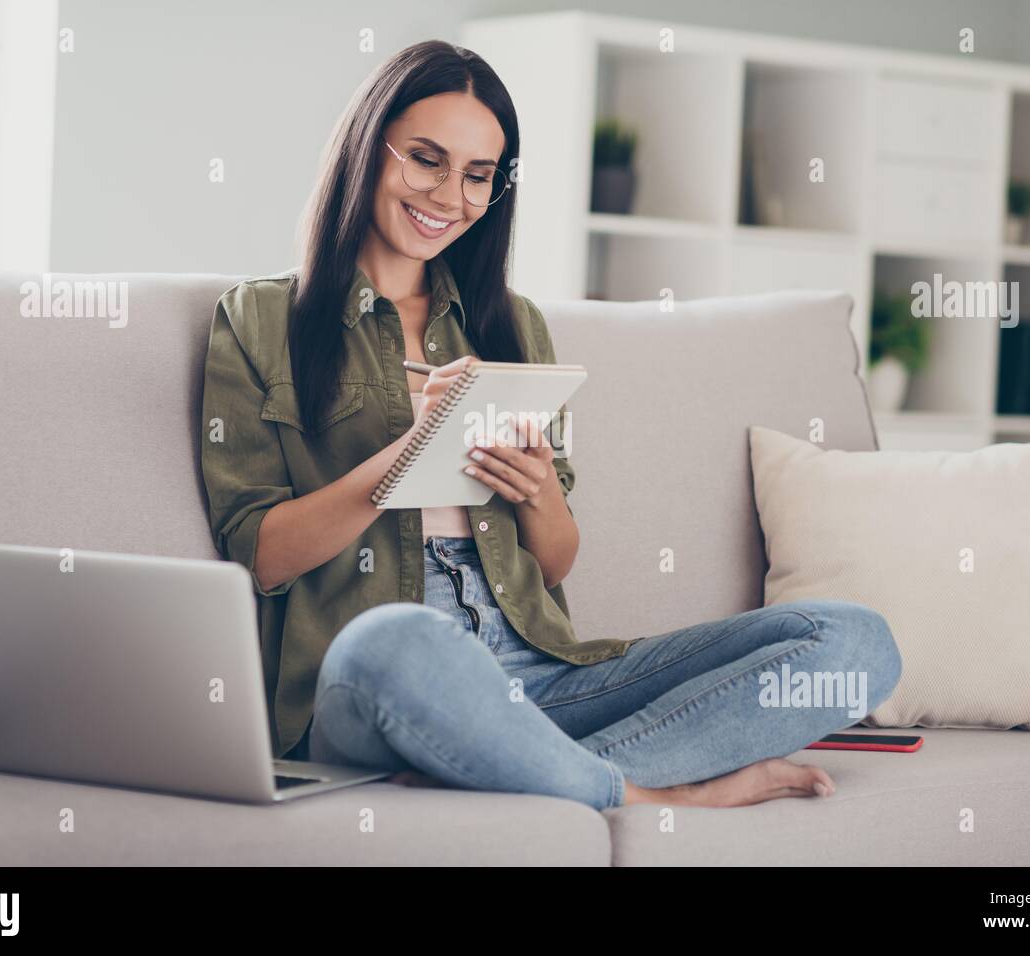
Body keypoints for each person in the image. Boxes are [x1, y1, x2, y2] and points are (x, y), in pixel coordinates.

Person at [200, 40, 901, 811]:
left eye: (477, 176)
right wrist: (409, 456)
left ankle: (516, 767)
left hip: (541, 677)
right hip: (383, 675)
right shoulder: (263, 319)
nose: (449, 195)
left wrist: (538, 495)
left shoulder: (512, 326)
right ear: (369, 149)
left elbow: (556, 564)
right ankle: (655, 793)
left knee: (852, 640)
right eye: (426, 159)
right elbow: (261, 555)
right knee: (394, 639)